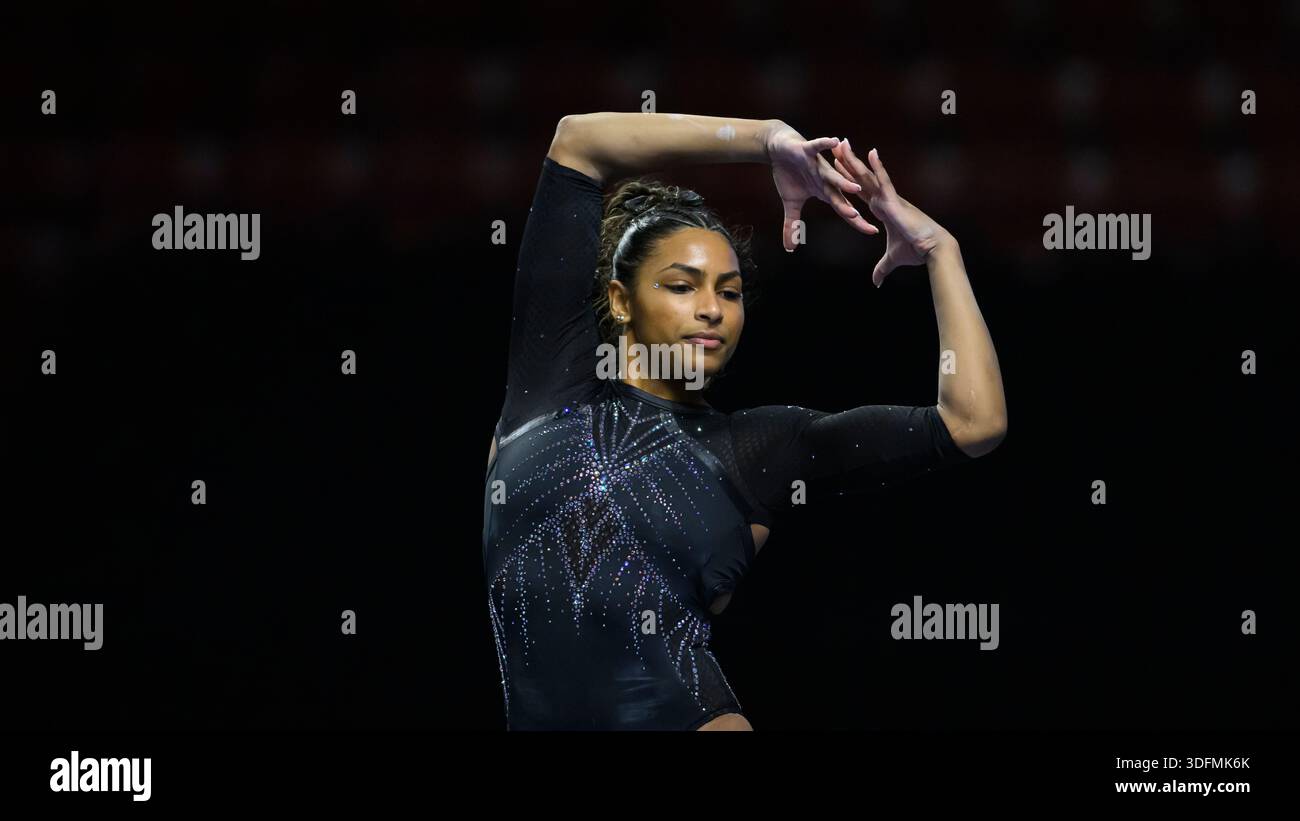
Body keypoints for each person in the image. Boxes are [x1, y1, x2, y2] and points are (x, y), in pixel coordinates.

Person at [483, 112, 1007, 730]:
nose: (711, 309)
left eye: (729, 293)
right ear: (622, 300)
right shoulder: (549, 381)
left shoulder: (758, 448)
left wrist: (941, 253)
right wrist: (766, 141)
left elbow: (972, 423)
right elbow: (577, 141)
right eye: (682, 286)